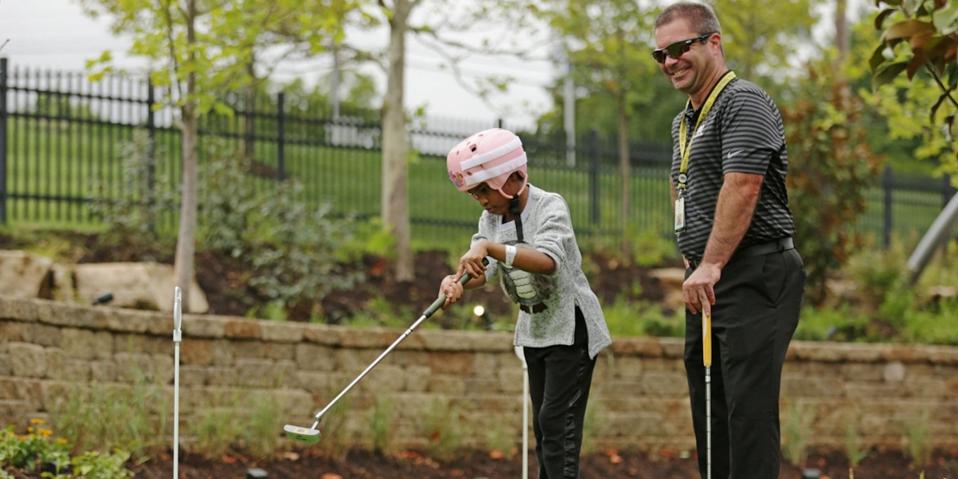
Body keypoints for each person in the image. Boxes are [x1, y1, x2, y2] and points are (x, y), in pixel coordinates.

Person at [653, 2, 806, 478]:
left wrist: (712, 262)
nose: (670, 61)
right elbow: (687, 190)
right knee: (710, 409)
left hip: (753, 272)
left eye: (680, 48)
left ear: (713, 43)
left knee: (747, 413)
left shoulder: (744, 101)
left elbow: (743, 185)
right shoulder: (683, 122)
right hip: (706, 281)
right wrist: (692, 256)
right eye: (659, 55)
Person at [438, 128, 612, 478]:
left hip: (571, 330)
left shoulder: (550, 205)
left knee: (557, 423)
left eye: (485, 190)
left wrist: (490, 249)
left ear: (514, 177)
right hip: (534, 331)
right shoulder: (490, 220)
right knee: (544, 426)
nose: (482, 200)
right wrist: (456, 282)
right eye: (475, 194)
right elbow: (481, 273)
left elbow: (549, 261)